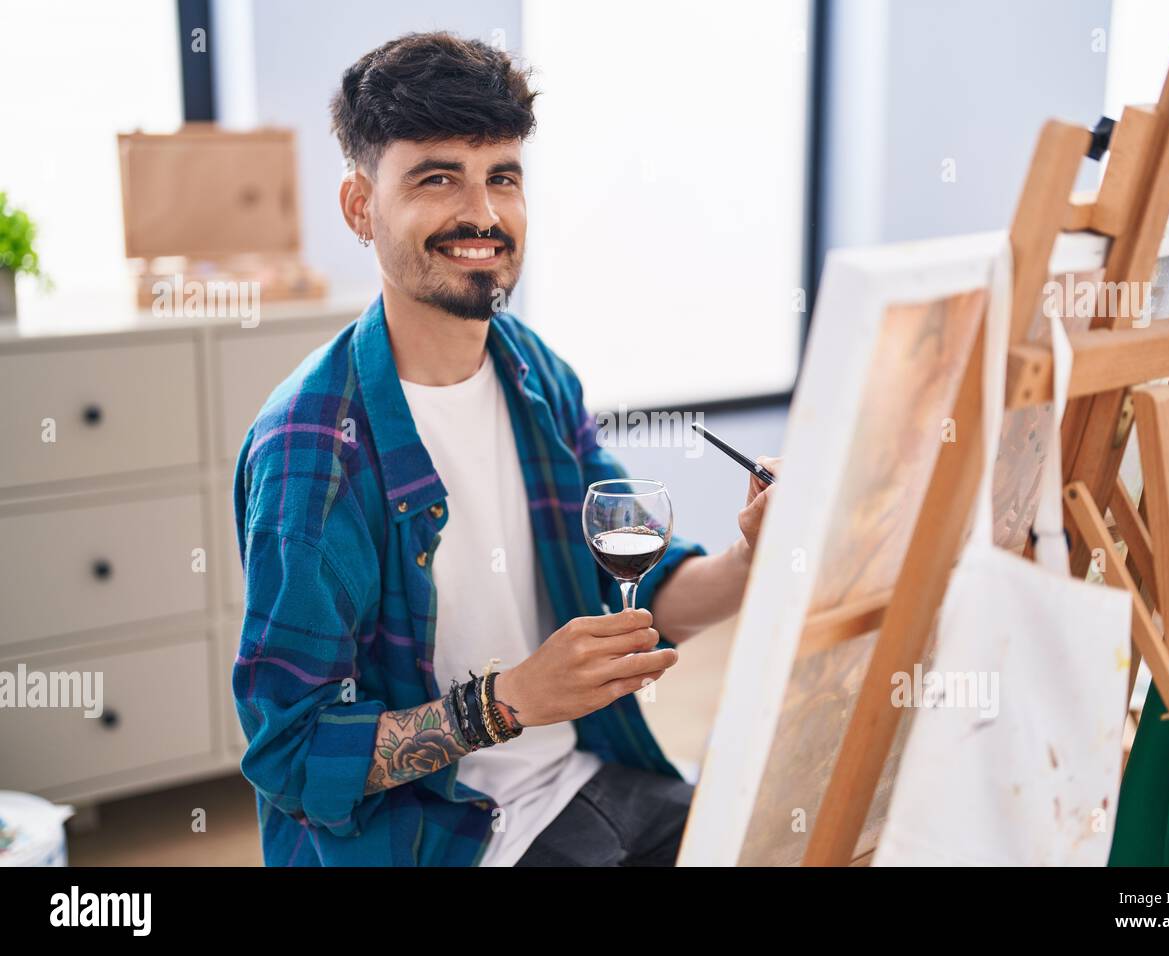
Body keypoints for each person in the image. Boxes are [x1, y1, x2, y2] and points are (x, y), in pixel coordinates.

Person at [231, 31, 778, 867]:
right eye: (437, 178)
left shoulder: (536, 374)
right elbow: (292, 755)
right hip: (432, 840)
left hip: (582, 779)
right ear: (359, 207)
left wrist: (754, 557)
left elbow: (639, 591)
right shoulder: (311, 451)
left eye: (503, 177)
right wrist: (505, 703)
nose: (483, 214)